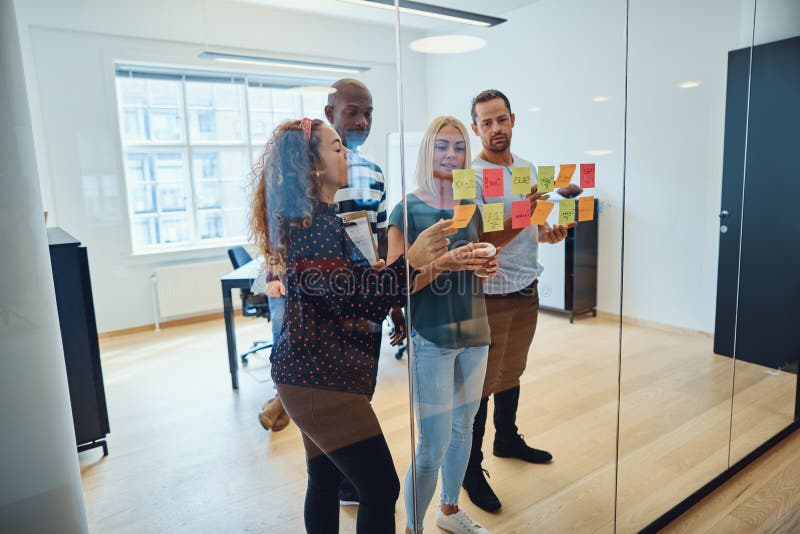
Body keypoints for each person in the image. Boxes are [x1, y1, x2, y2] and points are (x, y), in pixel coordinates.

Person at [249, 117, 456, 534]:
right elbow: (355, 299)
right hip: (320, 381)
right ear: (313, 167)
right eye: (337, 147)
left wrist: (408, 268)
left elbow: (354, 292)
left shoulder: (318, 219)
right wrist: (409, 261)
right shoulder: (316, 225)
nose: (347, 155)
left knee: (324, 480)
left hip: (312, 376)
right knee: (379, 487)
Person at [388, 117, 526, 534]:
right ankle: (413, 527)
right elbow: (396, 287)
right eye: (442, 146)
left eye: (459, 147)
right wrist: (443, 262)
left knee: (463, 427)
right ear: (427, 151)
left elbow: (479, 265)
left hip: (475, 332)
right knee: (431, 445)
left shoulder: (471, 205)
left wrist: (486, 263)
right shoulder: (406, 209)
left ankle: (448, 512)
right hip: (431, 336)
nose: (451, 155)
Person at [257, 79, 407, 448]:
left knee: (333, 439)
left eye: (368, 113)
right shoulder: (313, 215)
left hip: (358, 301)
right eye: (352, 112)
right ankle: (286, 403)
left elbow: (379, 241)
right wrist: (414, 265)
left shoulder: (371, 176)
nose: (362, 122)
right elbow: (304, 252)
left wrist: (390, 294)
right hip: (329, 322)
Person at [461, 89, 575, 513]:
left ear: (513, 120)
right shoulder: (470, 177)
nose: (496, 129)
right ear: (476, 129)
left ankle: (506, 439)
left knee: (513, 370)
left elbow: (534, 227)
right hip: (486, 293)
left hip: (526, 287)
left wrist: (549, 231)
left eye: (501, 120)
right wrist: (525, 215)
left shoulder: (528, 170)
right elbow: (480, 239)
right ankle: (471, 470)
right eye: (486, 123)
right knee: (480, 384)